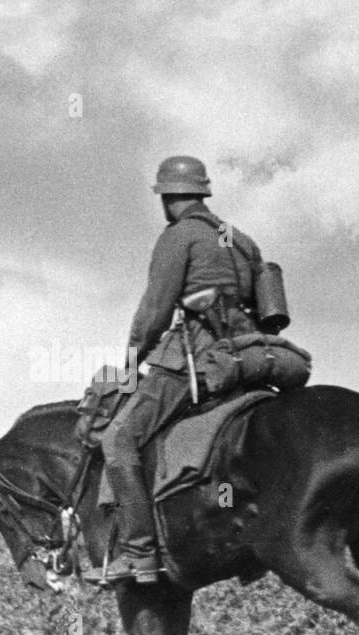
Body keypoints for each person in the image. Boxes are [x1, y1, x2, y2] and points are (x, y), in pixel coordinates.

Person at [98, 155, 264, 583]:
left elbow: (153, 314)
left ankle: (141, 555)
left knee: (118, 440)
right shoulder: (240, 239)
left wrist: (132, 366)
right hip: (246, 354)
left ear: (166, 197)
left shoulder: (179, 235)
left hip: (194, 354)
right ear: (203, 191)